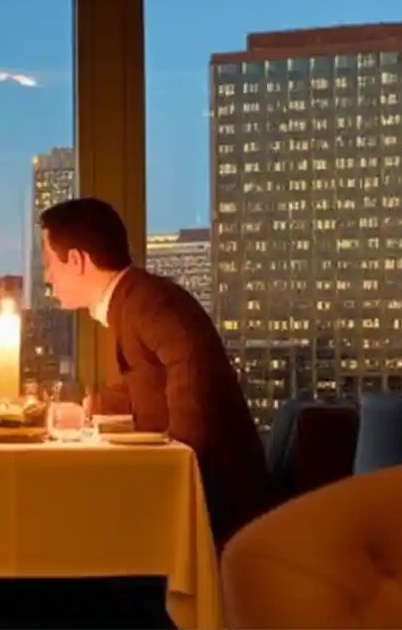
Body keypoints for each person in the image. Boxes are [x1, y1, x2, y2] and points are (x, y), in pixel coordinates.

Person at [39, 198, 267, 548]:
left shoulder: (152, 304)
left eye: (48, 263)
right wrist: (87, 408)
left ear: (76, 260)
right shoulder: (133, 303)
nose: (47, 277)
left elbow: (192, 378)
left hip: (218, 512)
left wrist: (174, 477)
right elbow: (150, 389)